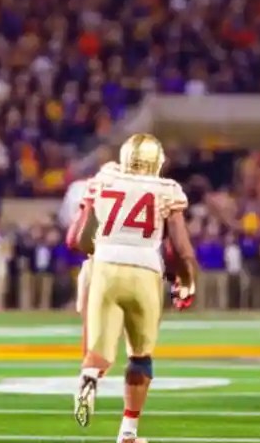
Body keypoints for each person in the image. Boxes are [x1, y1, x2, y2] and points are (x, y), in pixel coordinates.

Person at [66, 133, 197, 443]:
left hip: (105, 266)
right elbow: (181, 247)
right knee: (140, 356)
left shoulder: (104, 179)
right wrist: (187, 281)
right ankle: (128, 431)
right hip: (144, 269)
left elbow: (76, 240)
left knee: (98, 352)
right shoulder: (166, 190)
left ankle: (89, 377)